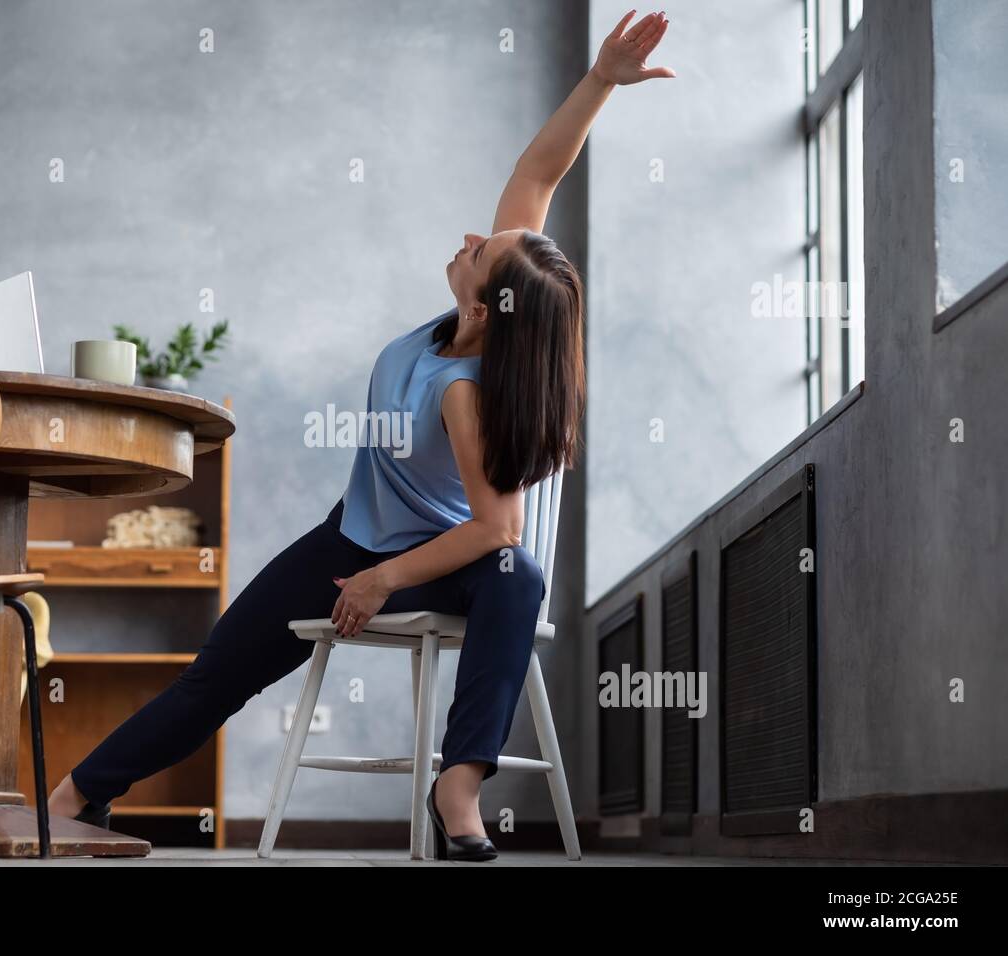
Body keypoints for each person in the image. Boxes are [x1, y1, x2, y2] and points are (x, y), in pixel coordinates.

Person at [48, 9, 674, 861]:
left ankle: (459, 790)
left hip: (433, 565)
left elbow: (497, 528)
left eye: (481, 251)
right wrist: (601, 80)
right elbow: (540, 168)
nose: (471, 239)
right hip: (349, 536)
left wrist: (382, 580)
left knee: (512, 571)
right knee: (218, 673)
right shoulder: (479, 316)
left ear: (484, 310)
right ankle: (81, 793)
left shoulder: (468, 394)